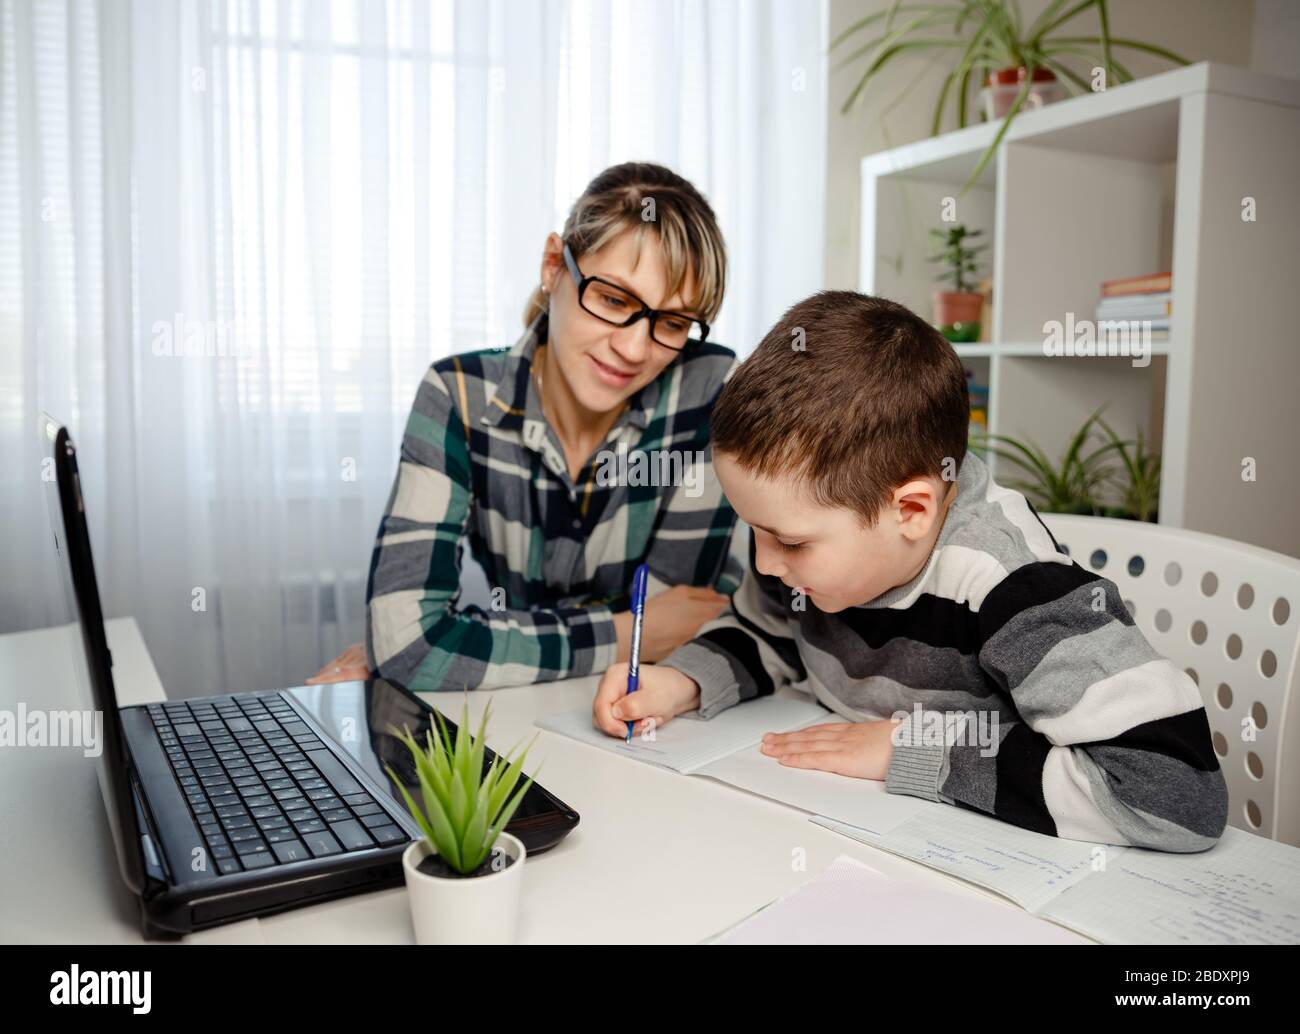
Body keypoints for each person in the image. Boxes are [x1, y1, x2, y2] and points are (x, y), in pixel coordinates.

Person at [591, 290, 1228, 852]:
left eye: (787, 540)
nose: (762, 562)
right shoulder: (804, 545)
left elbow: (1174, 793)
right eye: (752, 529)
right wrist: (681, 682)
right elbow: (769, 633)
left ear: (912, 510)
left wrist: (909, 749)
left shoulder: (1018, 588)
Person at [310, 162, 741, 690]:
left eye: (672, 323)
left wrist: (454, 646)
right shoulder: (459, 395)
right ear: (555, 265)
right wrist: (627, 633)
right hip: (522, 721)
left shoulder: (710, 393)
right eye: (612, 299)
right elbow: (409, 645)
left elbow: (680, 629)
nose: (633, 348)